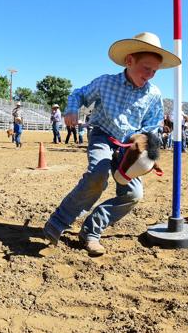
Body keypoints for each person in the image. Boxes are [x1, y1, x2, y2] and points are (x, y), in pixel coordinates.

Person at [43, 31, 180, 256]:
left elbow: (153, 128)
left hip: (128, 148)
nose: (151, 75)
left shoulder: (154, 95)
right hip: (102, 136)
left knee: (133, 194)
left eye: (155, 71)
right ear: (129, 61)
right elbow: (78, 94)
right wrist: (71, 109)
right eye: (147, 68)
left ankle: (91, 232)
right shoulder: (105, 82)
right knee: (97, 175)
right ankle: (57, 223)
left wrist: (148, 152)